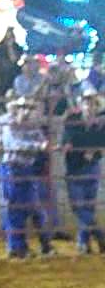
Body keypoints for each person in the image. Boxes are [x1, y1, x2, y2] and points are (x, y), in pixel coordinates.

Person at [0, 96, 53, 258]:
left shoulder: (33, 127)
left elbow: (43, 141)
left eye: (30, 108)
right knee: (16, 208)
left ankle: (23, 246)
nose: (27, 111)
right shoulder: (10, 124)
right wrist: (38, 146)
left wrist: (42, 144)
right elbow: (14, 144)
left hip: (25, 168)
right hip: (12, 168)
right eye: (24, 108)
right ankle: (17, 247)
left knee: (29, 208)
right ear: (17, 109)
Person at [63, 88, 105, 253]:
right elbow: (67, 143)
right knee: (80, 207)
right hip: (76, 167)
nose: (89, 105)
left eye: (92, 102)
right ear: (81, 104)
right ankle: (98, 233)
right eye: (87, 101)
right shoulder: (73, 120)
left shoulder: (98, 124)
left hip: (88, 167)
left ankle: (83, 243)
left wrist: (94, 152)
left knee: (86, 207)